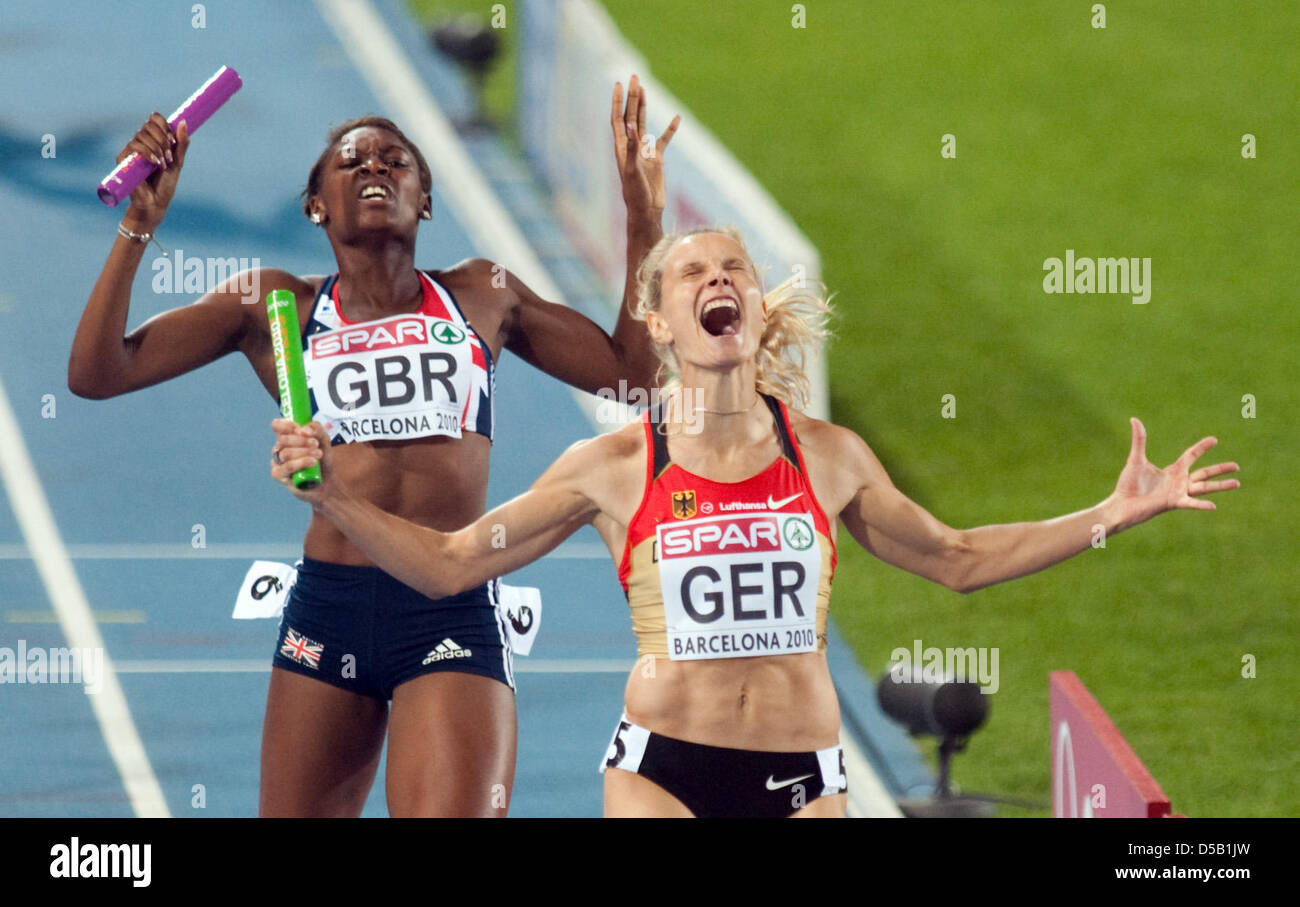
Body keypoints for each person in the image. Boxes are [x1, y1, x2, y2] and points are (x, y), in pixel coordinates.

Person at [270, 225, 1242, 818]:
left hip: (804, 779)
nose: (714, 279)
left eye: (729, 265)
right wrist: (335, 500)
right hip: (660, 771)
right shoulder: (613, 466)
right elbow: (445, 566)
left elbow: (957, 558)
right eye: (690, 273)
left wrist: (1112, 513)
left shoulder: (828, 455)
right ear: (658, 322)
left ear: (753, 310)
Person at [69, 77, 680, 817]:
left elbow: (635, 378)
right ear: (316, 204)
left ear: (425, 199)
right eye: (352, 162)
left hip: (448, 603)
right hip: (329, 607)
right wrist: (138, 225)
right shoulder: (274, 304)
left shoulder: (483, 294)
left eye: (395, 161)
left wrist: (644, 220)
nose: (374, 169)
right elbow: (98, 374)